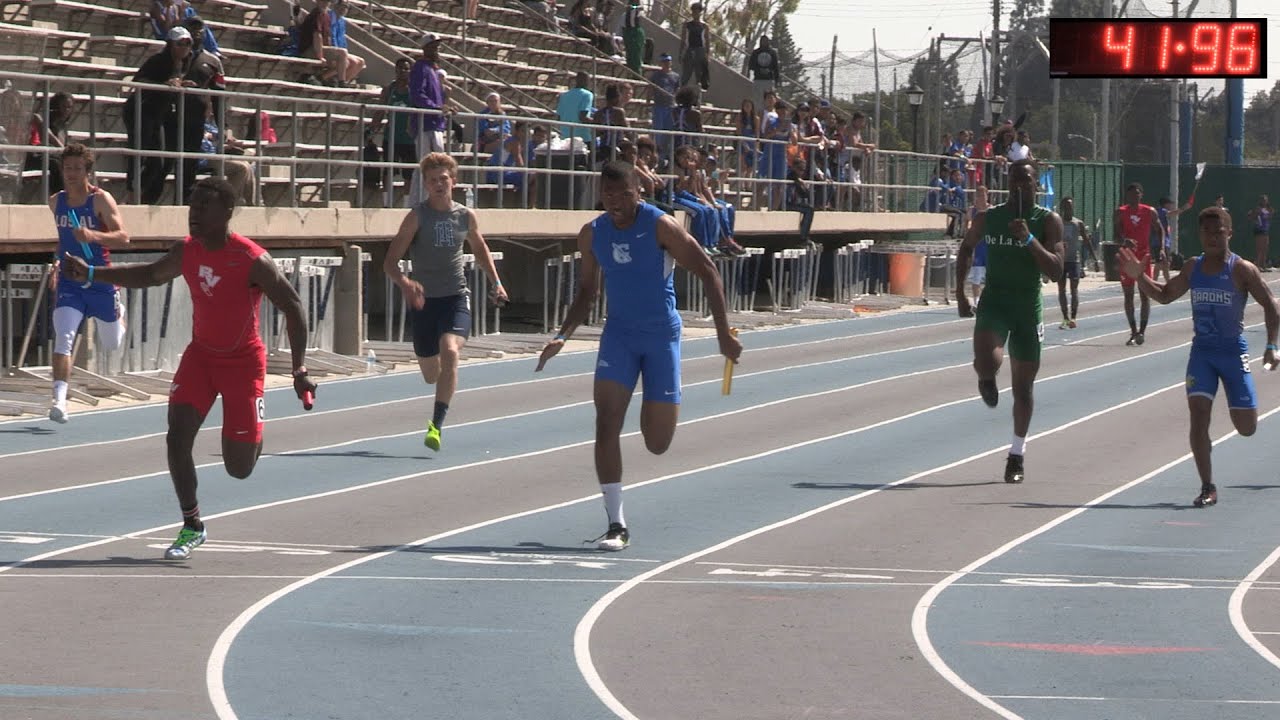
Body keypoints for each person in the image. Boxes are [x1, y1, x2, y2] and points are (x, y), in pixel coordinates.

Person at [60, 177, 317, 560]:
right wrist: (94, 274)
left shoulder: (251, 259)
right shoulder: (187, 252)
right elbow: (148, 275)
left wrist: (298, 370)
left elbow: (293, 306)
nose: (193, 215)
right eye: (191, 207)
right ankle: (192, 523)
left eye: (202, 208)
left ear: (226, 213)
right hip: (200, 358)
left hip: (243, 365)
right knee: (176, 438)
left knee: (239, 468)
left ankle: (255, 432)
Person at [535, 161, 742, 550]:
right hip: (619, 336)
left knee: (657, 442)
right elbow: (587, 293)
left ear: (638, 193)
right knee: (606, 422)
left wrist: (722, 335)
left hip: (661, 336)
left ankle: (658, 402)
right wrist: (561, 335)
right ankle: (616, 524)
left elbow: (708, 270)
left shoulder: (661, 225)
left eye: (623, 195)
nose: (615, 203)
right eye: (608, 196)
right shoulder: (592, 233)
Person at [1118, 208, 1279, 508]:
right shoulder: (1194, 267)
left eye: (1219, 232)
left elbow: (1272, 306)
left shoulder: (1241, 269)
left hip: (1233, 353)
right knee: (1198, 416)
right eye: (1207, 232)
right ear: (1200, 235)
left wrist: (1272, 344)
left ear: (1229, 233)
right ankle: (1207, 486)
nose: (1213, 237)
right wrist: (1139, 278)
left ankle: (1239, 409)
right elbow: (1165, 295)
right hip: (1202, 354)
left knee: (1247, 428)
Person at [383, 153, 508, 451]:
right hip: (425, 303)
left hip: (455, 297)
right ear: (425, 185)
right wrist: (405, 283)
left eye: (443, 179)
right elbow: (389, 262)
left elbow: (480, 249)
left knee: (450, 351)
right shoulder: (417, 216)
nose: (439, 184)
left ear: (454, 180)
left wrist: (497, 282)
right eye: (432, 180)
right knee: (430, 374)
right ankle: (441, 380)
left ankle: (436, 425)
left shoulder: (465, 215)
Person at [955, 159, 1064, 484]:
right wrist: (961, 294)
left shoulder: (1049, 221)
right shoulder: (990, 218)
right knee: (988, 362)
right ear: (1008, 184)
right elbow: (966, 249)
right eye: (1015, 182)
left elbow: (1056, 271)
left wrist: (1029, 239)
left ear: (1036, 186)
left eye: (1027, 183)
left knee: (1023, 389)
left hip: (1027, 307)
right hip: (995, 301)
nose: (1020, 188)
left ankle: (1016, 455)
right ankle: (986, 377)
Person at [47, 144, 131, 423]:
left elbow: (123, 237)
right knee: (64, 337)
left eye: (77, 168)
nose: (70, 173)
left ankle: (119, 313)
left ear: (87, 171)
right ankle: (59, 401)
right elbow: (63, 239)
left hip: (99, 278)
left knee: (112, 343)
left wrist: (93, 236)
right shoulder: (55, 201)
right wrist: (57, 262)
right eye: (67, 167)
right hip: (71, 280)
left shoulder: (100, 200)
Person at [1113, 182, 1162, 346]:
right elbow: (1116, 235)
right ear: (1127, 196)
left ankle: (1142, 331)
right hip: (1127, 257)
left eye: (1137, 193)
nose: (1134, 196)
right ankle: (1133, 331)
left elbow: (1159, 229)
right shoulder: (1121, 212)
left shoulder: (1149, 211)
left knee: (1145, 294)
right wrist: (1124, 240)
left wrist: (1160, 249)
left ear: (1142, 195)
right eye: (1131, 194)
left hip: (1143, 257)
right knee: (1128, 294)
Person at [1057, 197, 1095, 329]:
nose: (1069, 209)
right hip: (1061, 260)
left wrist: (1094, 258)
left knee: (1074, 289)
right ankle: (1065, 318)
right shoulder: (1058, 222)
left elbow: (1086, 240)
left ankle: (1073, 317)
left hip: (1074, 260)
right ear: (1062, 208)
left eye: (1071, 206)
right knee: (1061, 290)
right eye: (1066, 206)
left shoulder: (1078, 223)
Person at [680, 2, 710, 91]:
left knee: (699, 77)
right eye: (693, 11)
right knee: (685, 76)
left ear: (700, 12)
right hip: (690, 50)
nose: (695, 14)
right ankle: (681, 95)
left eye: (697, 11)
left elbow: (707, 41)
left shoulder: (704, 26)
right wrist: (681, 53)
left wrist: (707, 55)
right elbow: (683, 40)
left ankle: (697, 100)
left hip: (700, 51)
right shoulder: (687, 25)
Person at [1248, 194, 1272, 272]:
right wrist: (1256, 219)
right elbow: (1251, 216)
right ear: (1261, 201)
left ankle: (1263, 265)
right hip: (1259, 231)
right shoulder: (1258, 209)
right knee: (1259, 249)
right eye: (1264, 200)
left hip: (1265, 230)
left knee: (1265, 248)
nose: (1265, 201)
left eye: (1266, 200)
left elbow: (1268, 217)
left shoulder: (1267, 209)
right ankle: (1257, 266)